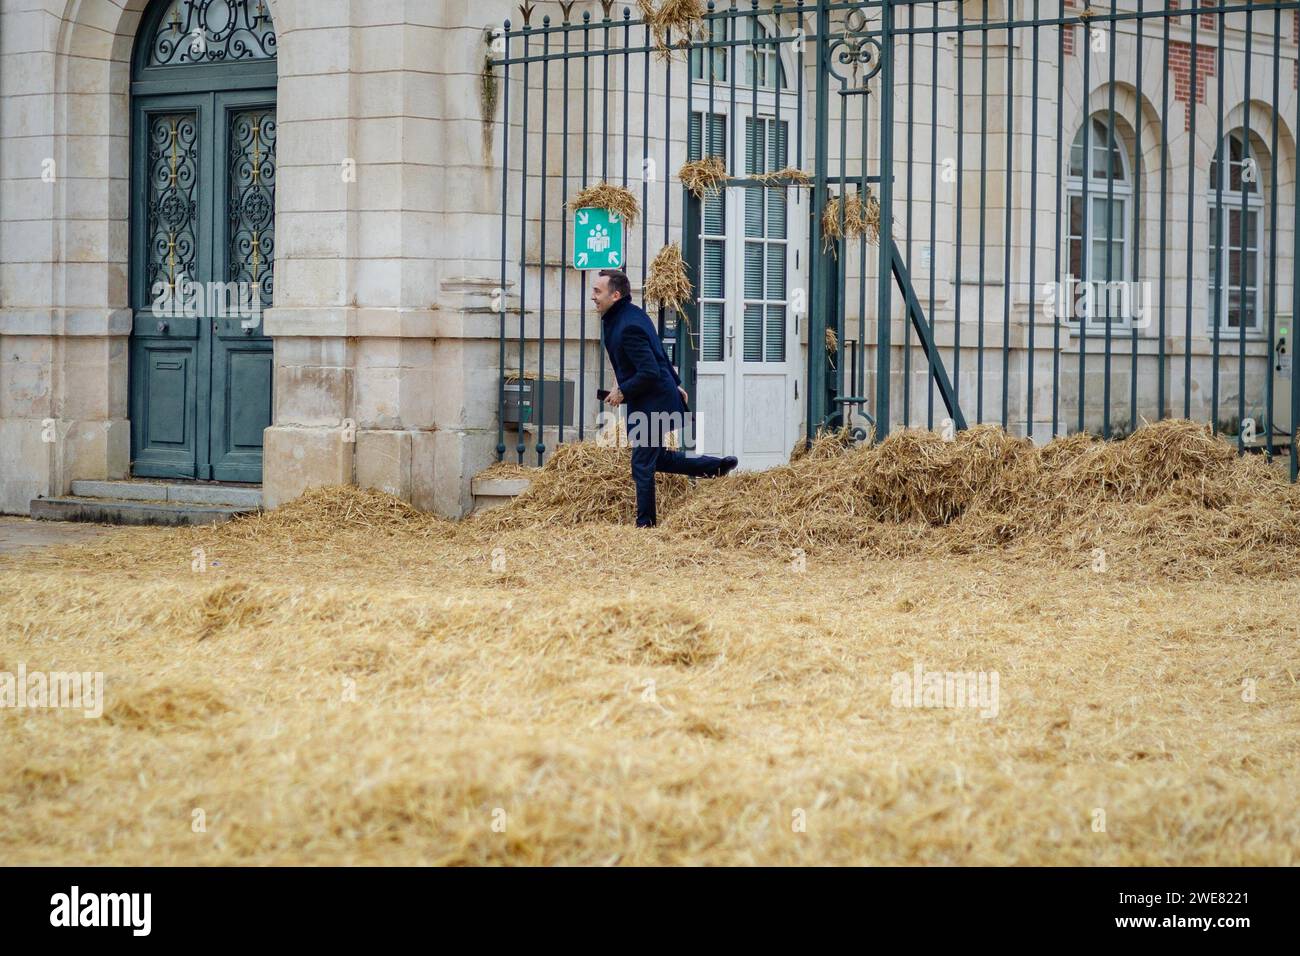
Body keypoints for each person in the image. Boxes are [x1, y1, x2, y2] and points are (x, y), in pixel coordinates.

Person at [591, 268, 737, 527]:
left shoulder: (627, 325)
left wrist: (623, 391)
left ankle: (645, 526)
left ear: (615, 294)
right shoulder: (627, 316)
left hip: (652, 402)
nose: (593, 296)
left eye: (597, 291)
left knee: (642, 464)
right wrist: (676, 383)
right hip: (653, 396)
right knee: (658, 459)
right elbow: (657, 352)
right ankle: (715, 467)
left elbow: (648, 370)